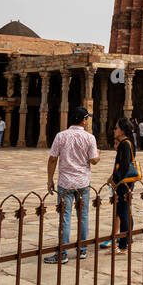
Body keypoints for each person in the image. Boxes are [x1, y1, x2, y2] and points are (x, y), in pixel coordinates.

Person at [45, 106, 100, 264]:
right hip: (83, 182)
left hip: (65, 183)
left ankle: (62, 253)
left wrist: (50, 179)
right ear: (84, 120)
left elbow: (53, 159)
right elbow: (94, 160)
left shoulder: (61, 136)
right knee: (83, 216)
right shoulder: (89, 138)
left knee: (65, 217)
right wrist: (99, 155)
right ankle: (82, 250)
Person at [101, 117, 141, 253]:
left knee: (123, 212)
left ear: (122, 130)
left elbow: (123, 166)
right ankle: (127, 239)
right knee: (125, 211)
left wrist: (114, 180)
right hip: (127, 182)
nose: (114, 130)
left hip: (124, 183)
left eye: (116, 128)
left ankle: (123, 246)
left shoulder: (125, 144)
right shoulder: (128, 142)